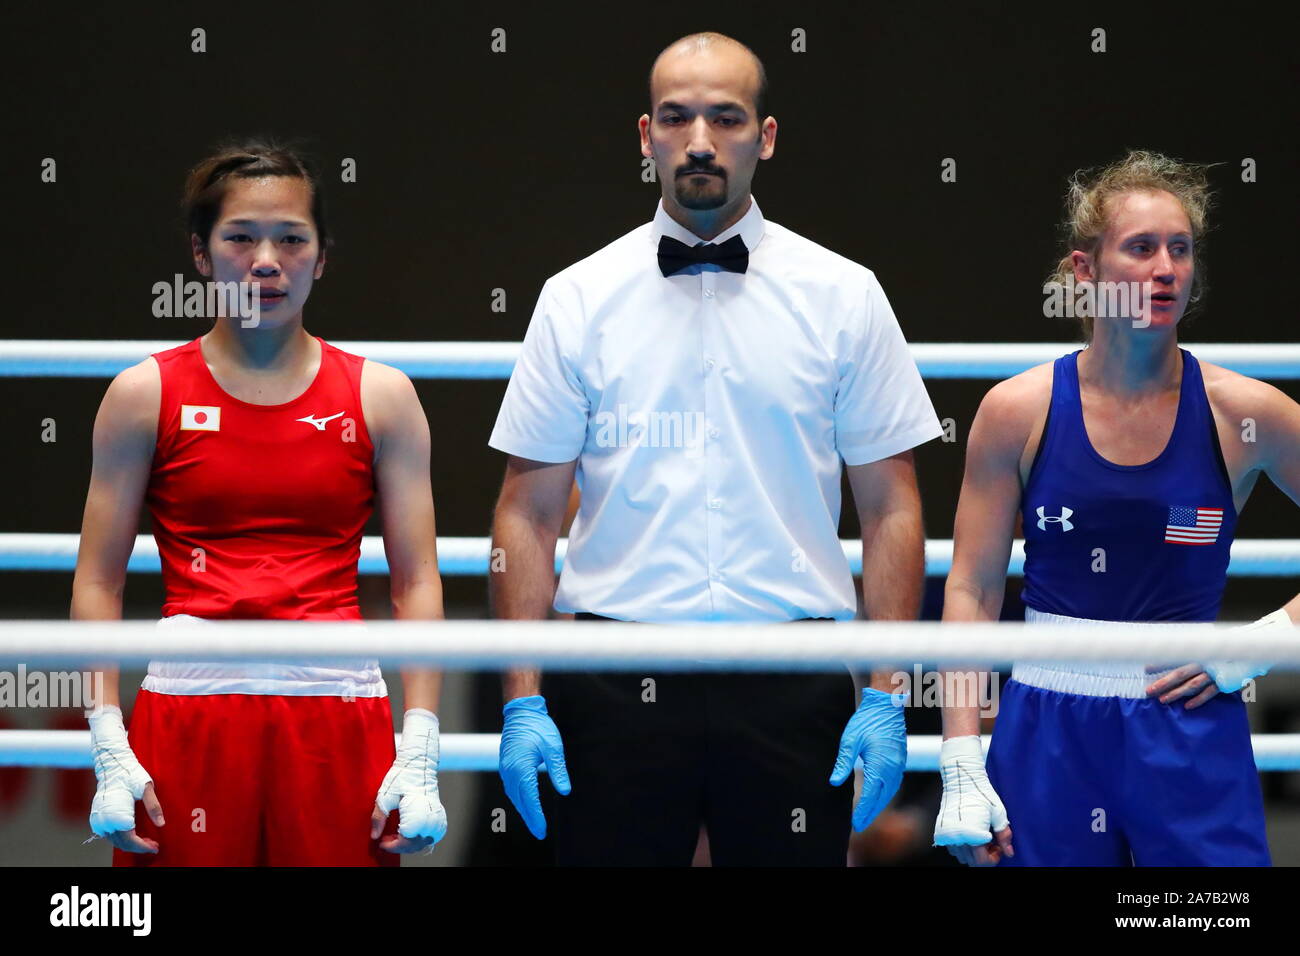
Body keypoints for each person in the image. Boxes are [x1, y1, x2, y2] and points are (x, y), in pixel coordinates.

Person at [487, 32, 943, 866]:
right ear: (646, 136)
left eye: (726, 117)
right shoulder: (575, 297)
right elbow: (527, 508)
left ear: (765, 136)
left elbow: (891, 505)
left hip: (790, 673)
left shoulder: (845, 294)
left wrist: (885, 694)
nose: (700, 140)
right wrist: (522, 701)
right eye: (678, 117)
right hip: (609, 675)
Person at [71, 140, 449, 866]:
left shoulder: (384, 396)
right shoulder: (143, 395)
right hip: (190, 711)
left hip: (338, 716)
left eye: (291, 238)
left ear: (322, 255)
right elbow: (98, 578)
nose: (267, 260)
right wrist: (107, 740)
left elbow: (417, 581)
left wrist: (422, 744)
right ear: (202, 256)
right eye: (241, 237)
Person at [934, 150, 1300, 866]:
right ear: (1085, 272)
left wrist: (1267, 636)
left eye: (1181, 248)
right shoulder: (1018, 411)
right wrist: (958, 759)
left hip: (1189, 718)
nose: (1165, 267)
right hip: (1047, 722)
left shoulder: (1245, 413)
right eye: (1141, 247)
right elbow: (972, 588)